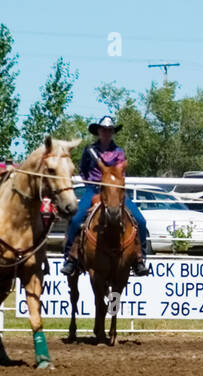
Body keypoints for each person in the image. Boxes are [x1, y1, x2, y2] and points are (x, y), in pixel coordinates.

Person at [61, 116, 150, 276]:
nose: (106, 133)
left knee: (141, 222)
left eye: (109, 130)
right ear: (98, 131)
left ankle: (139, 259)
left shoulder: (118, 152)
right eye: (104, 130)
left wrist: (112, 183)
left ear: (112, 132)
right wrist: (92, 183)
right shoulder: (89, 151)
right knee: (75, 220)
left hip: (115, 191)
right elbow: (83, 169)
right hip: (94, 190)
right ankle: (71, 258)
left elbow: (120, 171)